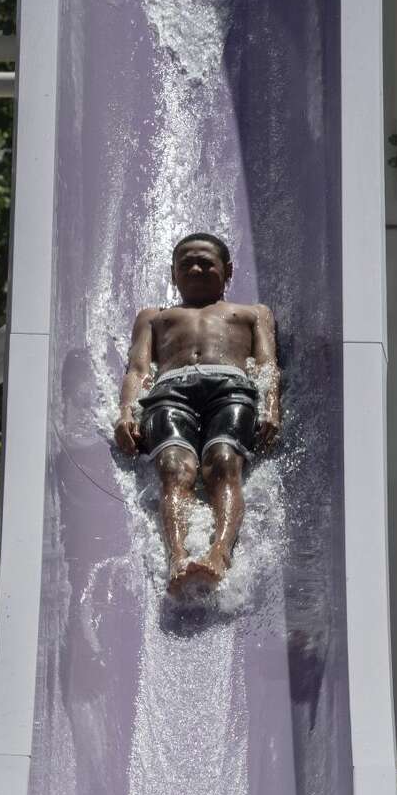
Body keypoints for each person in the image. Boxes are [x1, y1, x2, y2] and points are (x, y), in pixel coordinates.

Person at [114, 232, 281, 594]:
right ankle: (178, 557)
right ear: (173, 273)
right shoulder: (154, 317)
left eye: (205, 263)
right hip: (170, 390)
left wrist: (271, 404)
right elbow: (138, 370)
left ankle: (219, 553)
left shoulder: (253, 313)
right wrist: (126, 412)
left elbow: (267, 363)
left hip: (231, 386)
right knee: (174, 468)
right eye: (185, 264)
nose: (194, 269)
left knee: (223, 462)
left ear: (228, 270)